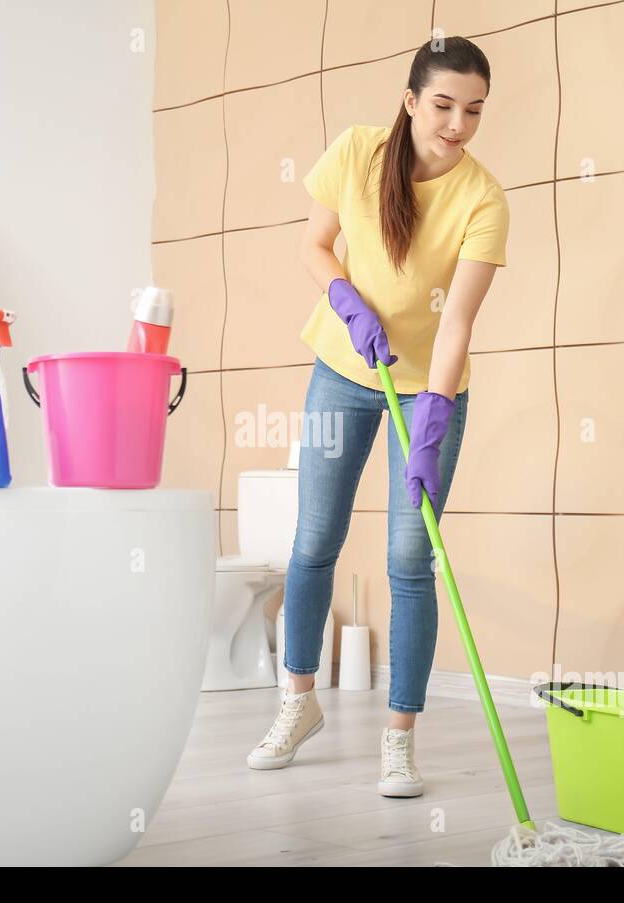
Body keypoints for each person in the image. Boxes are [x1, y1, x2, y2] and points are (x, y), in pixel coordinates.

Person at [246, 36, 510, 797]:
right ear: (410, 100)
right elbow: (316, 245)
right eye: (443, 104)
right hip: (342, 369)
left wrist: (432, 421)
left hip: (429, 392)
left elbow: (457, 322)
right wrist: (345, 299)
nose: (457, 123)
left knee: (408, 560)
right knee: (314, 540)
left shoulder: (484, 200)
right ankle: (297, 704)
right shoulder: (359, 154)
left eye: (474, 111)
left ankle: (399, 740)